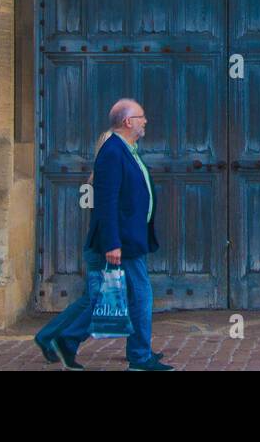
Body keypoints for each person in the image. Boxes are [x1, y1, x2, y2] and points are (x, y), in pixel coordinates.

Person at [34, 99, 172, 370]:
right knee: (136, 296)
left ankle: (61, 339)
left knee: (105, 297)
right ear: (127, 121)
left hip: (130, 237)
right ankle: (137, 356)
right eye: (142, 117)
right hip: (122, 240)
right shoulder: (112, 151)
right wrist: (112, 243)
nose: (146, 122)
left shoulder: (127, 149)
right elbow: (106, 201)